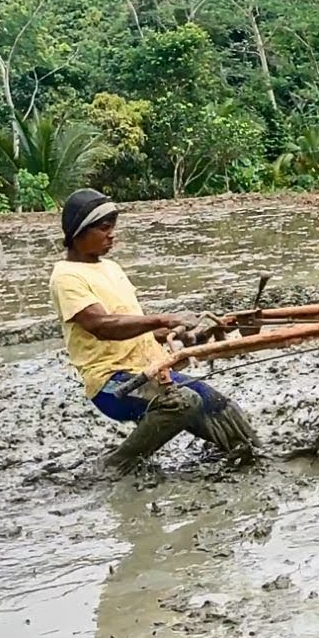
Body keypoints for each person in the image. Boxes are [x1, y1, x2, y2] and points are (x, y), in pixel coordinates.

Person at [49, 188, 258, 473]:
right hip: (112, 382)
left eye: (113, 228)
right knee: (183, 402)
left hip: (151, 369)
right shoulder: (66, 277)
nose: (112, 235)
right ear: (78, 232)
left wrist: (186, 332)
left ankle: (255, 452)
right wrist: (164, 319)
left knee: (218, 405)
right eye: (104, 228)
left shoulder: (110, 267)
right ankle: (117, 465)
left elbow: (135, 327)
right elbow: (101, 326)